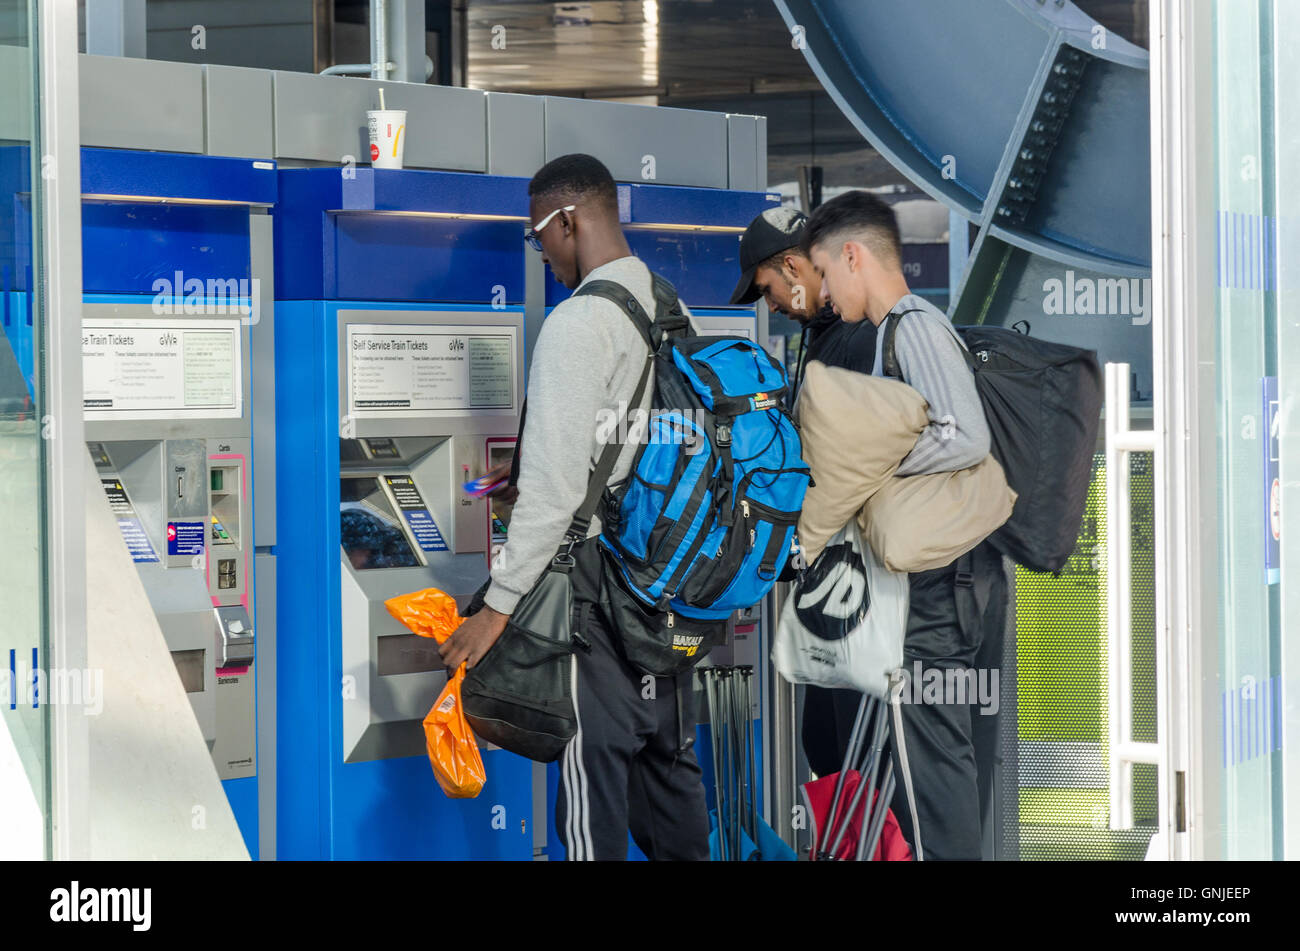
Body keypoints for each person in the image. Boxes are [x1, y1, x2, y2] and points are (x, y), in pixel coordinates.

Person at [439, 153, 710, 861]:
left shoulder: (578, 321)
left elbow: (558, 496)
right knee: (669, 777)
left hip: (597, 596)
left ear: (568, 221)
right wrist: (535, 467)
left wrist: (496, 609)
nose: (542, 254)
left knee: (592, 792)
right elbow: (641, 440)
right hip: (666, 580)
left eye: (539, 237)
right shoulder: (669, 305)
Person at [801, 190, 1009, 861]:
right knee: (923, 774)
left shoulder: (912, 325)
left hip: (938, 594)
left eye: (824, 273)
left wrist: (875, 470)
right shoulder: (896, 332)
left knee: (930, 782)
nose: (823, 293)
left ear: (853, 257)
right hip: (936, 588)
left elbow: (965, 435)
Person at [731, 206, 877, 780]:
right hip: (838, 586)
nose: (769, 306)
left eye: (766, 289)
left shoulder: (861, 338)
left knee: (853, 751)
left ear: (793, 266)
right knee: (824, 742)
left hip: (863, 591)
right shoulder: (827, 336)